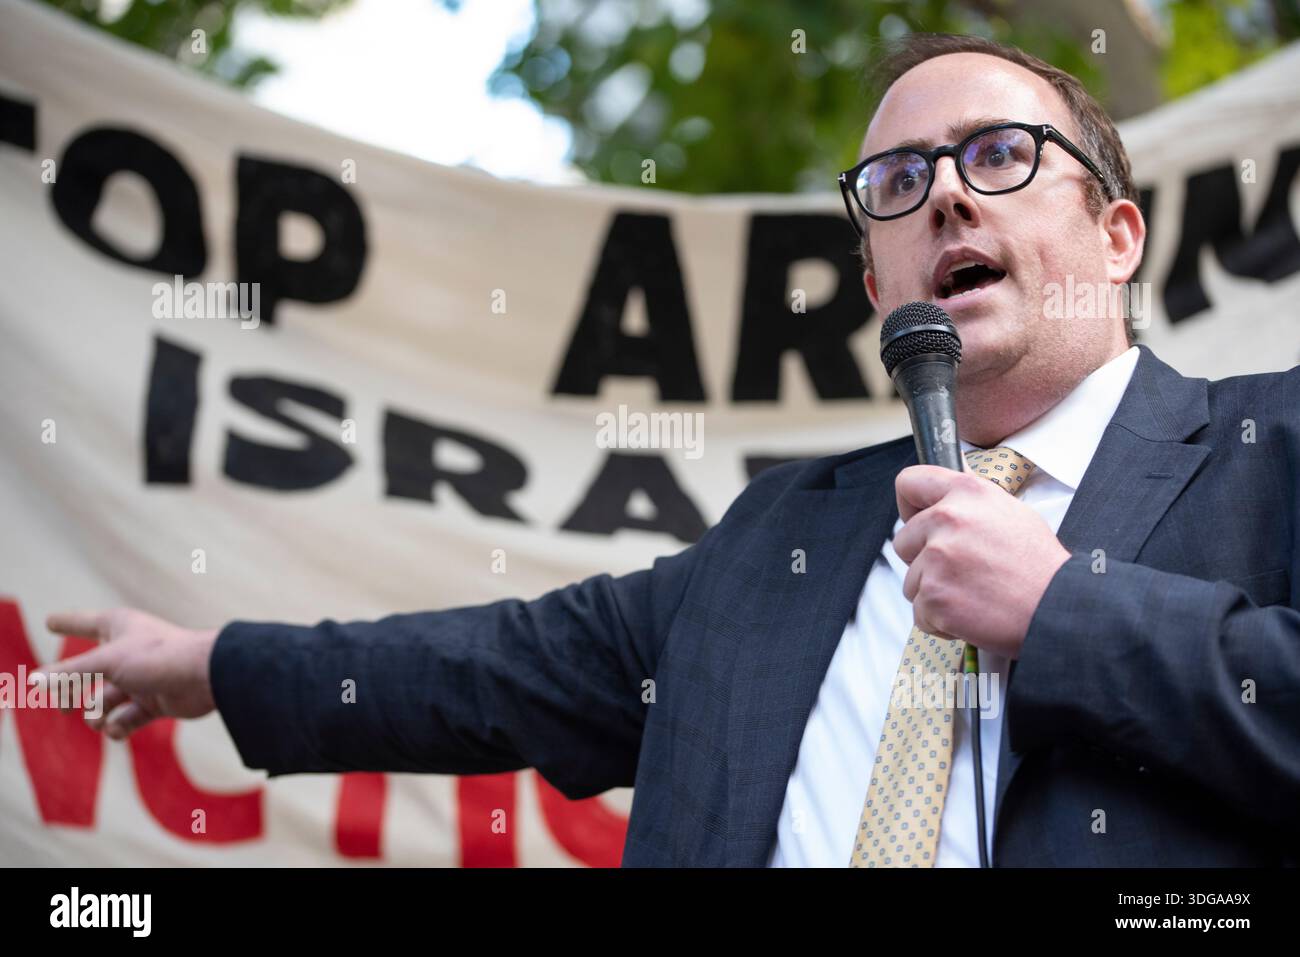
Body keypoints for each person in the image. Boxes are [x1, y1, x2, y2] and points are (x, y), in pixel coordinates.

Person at [36, 34, 1300, 867]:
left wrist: (1059, 613)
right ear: (876, 283)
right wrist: (211, 663)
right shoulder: (783, 538)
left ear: (1119, 233)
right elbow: (495, 669)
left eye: (996, 156)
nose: (948, 198)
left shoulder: (1270, 449)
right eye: (898, 181)